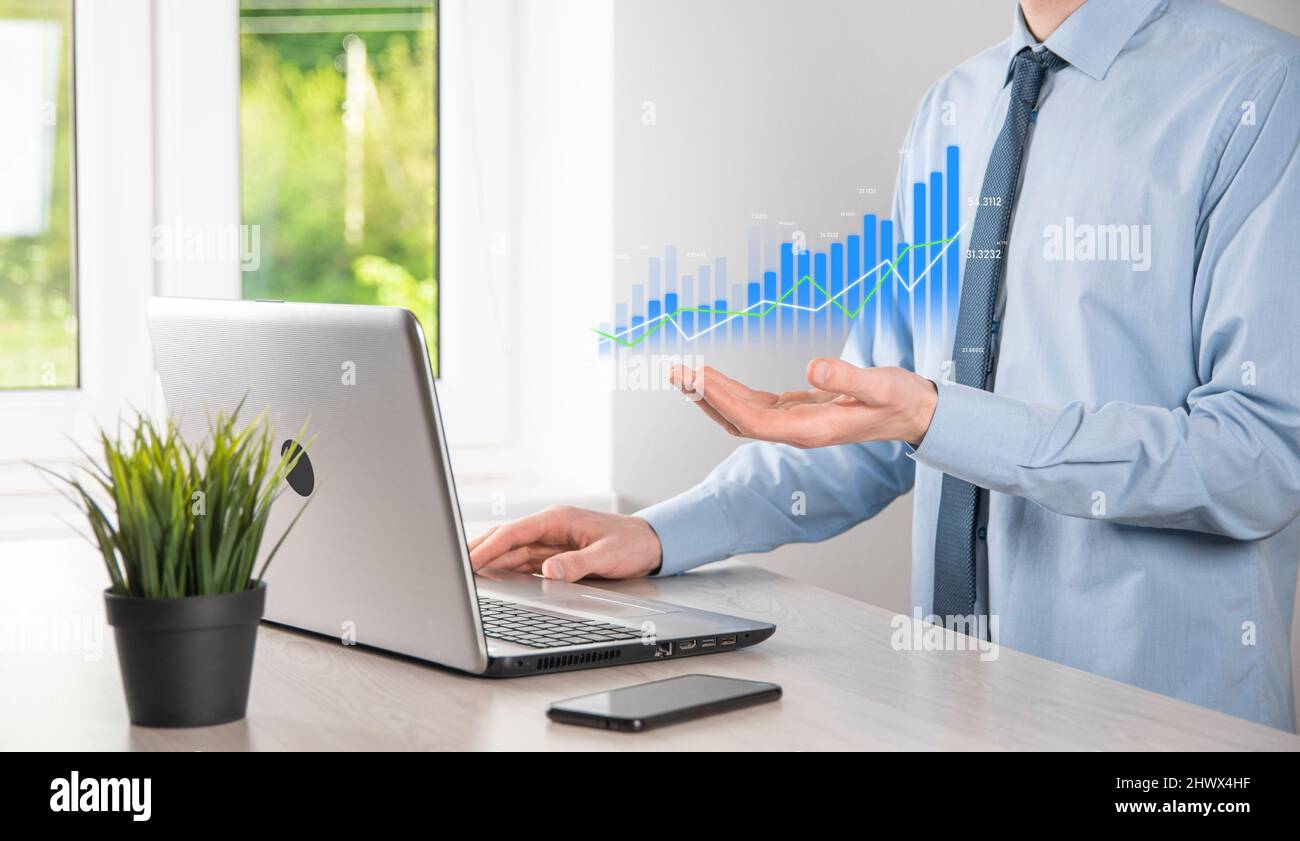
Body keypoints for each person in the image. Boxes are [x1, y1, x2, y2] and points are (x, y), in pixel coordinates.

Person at [469, 0, 1300, 731]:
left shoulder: (1261, 92)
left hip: (1165, 746)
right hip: (947, 713)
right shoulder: (956, 108)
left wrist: (944, 417)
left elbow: (1258, 458)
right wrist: (658, 532)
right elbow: (882, 425)